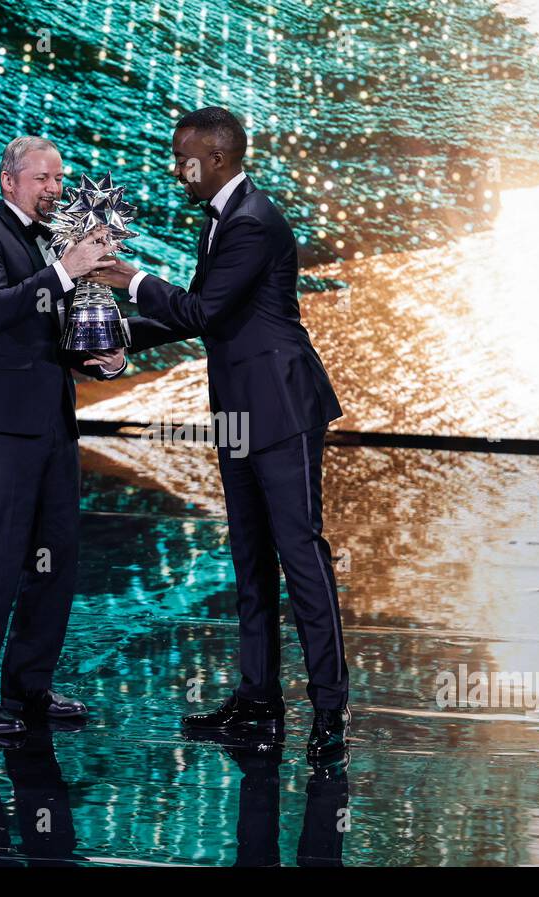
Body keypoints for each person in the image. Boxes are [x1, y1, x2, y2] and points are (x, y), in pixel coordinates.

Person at [87, 107, 351, 760]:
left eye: (186, 158)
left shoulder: (254, 222)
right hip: (236, 412)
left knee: (301, 559)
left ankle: (329, 716)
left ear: (219, 158)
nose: (179, 169)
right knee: (250, 562)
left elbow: (201, 308)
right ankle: (257, 703)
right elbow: (197, 319)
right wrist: (114, 334)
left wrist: (128, 278)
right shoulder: (224, 221)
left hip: (282, 410)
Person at [0, 135, 124, 737]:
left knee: (57, 562)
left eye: (59, 179)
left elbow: (56, 332)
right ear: (9, 182)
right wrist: (62, 270)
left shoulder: (55, 244)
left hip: (53, 428)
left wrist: (102, 356)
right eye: (43, 179)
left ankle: (30, 687)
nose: (54, 189)